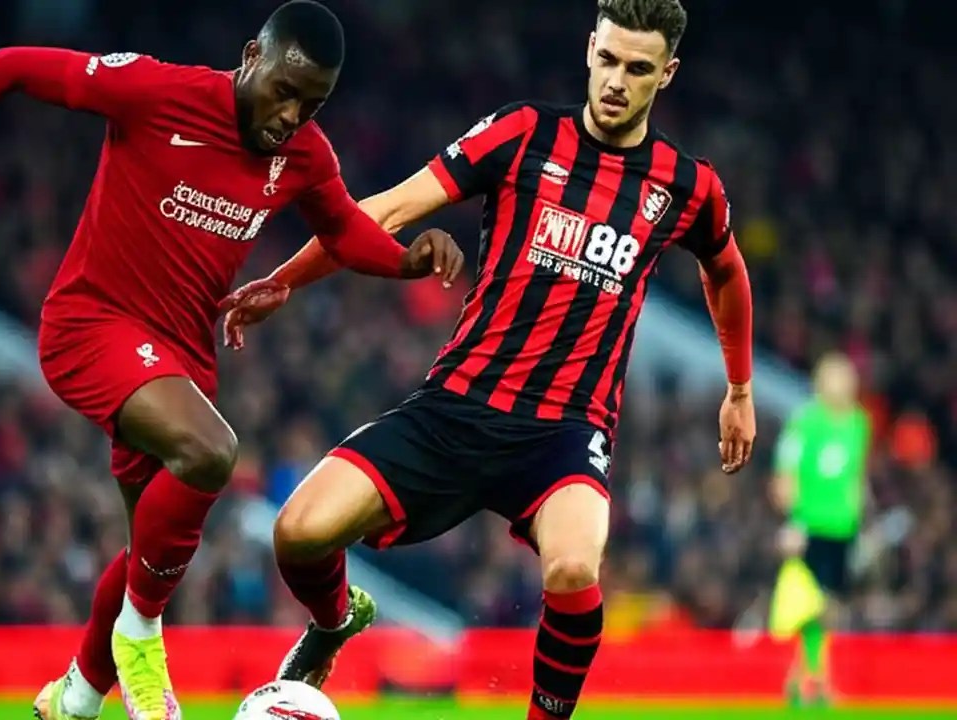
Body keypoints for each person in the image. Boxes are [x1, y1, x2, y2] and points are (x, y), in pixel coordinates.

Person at [0, 2, 463, 719]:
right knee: (211, 454)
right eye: (284, 91)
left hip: (181, 356)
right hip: (93, 326)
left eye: (311, 103)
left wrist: (409, 258)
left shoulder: (304, 155)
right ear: (251, 54)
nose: (291, 115)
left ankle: (76, 697)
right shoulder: (158, 92)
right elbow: (10, 67)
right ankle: (140, 636)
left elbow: (344, 228)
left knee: (146, 555)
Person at [219, 1, 756, 717]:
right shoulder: (523, 133)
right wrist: (282, 280)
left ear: (668, 73)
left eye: (638, 68)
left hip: (564, 433)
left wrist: (741, 387)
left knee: (572, 566)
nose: (617, 81)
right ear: (589, 48)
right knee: (297, 532)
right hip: (458, 406)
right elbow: (385, 210)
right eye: (607, 59)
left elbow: (726, 272)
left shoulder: (686, 186)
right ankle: (333, 621)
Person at [769, 352, 871, 707]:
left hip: (843, 529)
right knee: (810, 608)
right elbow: (784, 477)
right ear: (820, 382)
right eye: (836, 377)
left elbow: (855, 478)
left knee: (826, 610)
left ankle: (803, 680)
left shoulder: (860, 423)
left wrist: (860, 522)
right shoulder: (805, 423)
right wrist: (793, 522)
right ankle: (816, 681)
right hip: (809, 527)